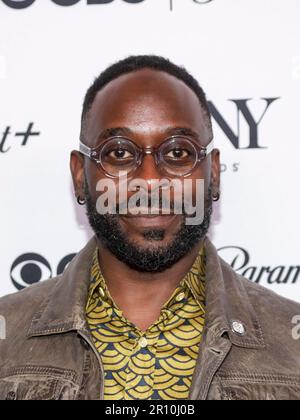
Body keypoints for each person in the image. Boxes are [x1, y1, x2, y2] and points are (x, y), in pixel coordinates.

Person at [0, 55, 300, 400]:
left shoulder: (292, 349)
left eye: (177, 153)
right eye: (118, 153)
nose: (149, 180)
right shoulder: (7, 340)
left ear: (213, 174)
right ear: (81, 175)